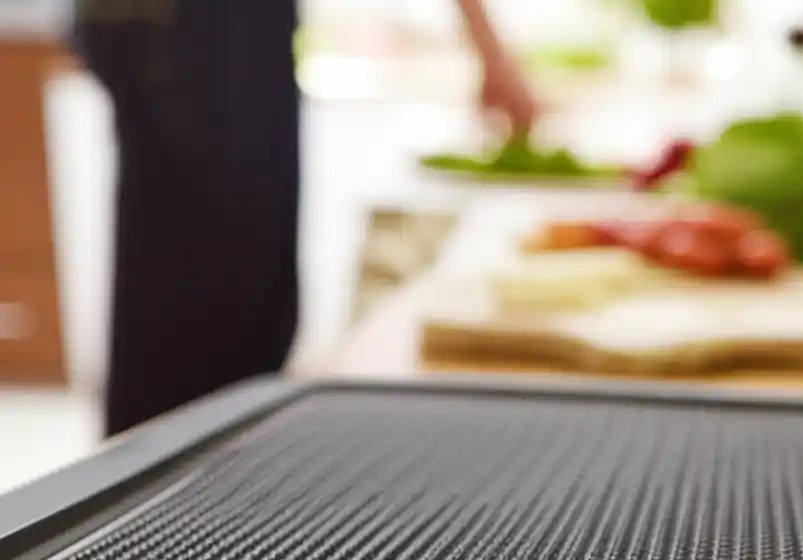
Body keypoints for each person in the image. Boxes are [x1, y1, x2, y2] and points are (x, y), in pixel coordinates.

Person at [75, 0, 536, 435]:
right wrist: (488, 48)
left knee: (221, 306)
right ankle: (171, 498)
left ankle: (199, 485)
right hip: (195, 30)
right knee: (203, 314)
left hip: (205, 29)